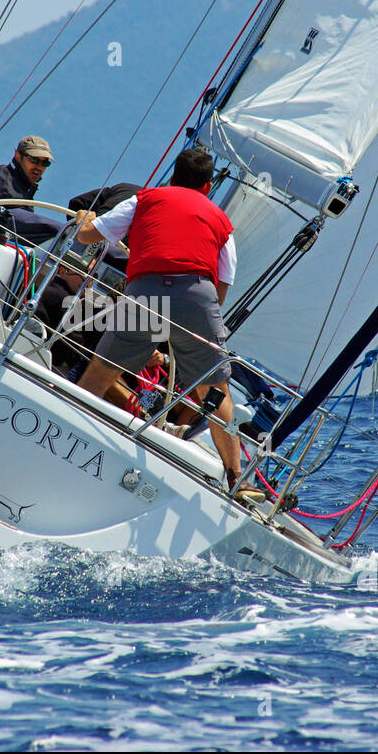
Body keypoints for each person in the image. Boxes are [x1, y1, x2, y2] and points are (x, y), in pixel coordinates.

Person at [72, 148, 259, 499]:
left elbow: (86, 236)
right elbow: (220, 290)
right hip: (197, 300)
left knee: (102, 371)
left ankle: (64, 431)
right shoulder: (221, 223)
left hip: (146, 293)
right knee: (215, 390)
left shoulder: (144, 201)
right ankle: (237, 478)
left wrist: (85, 218)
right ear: (207, 186)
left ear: (173, 178)